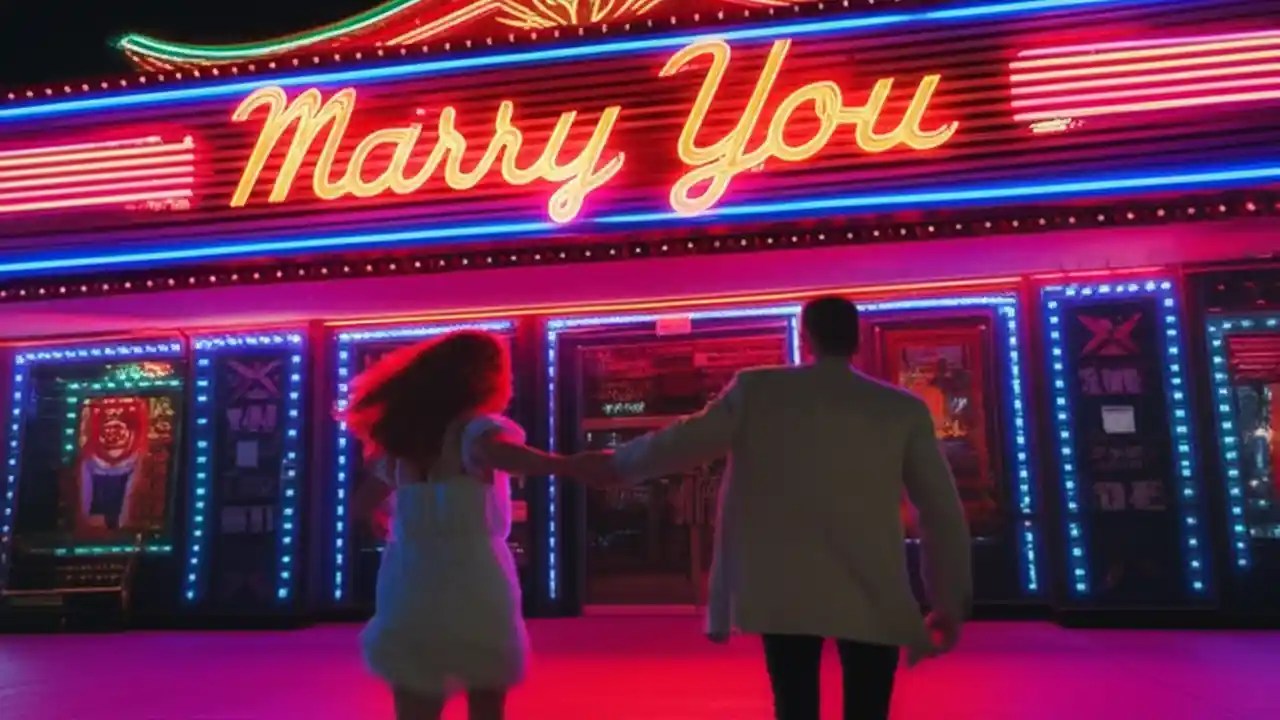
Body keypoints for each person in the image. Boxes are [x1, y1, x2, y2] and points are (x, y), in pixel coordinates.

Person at [577, 296, 972, 720]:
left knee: (794, 703)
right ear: (856, 339)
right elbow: (940, 510)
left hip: (785, 584)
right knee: (869, 703)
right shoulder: (901, 409)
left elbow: (682, 442)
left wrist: (616, 466)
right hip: (872, 582)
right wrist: (948, 599)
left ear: (806, 338)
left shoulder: (758, 391)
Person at [342, 331, 584, 720]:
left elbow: (361, 504)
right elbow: (505, 453)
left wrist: (391, 515)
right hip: (472, 570)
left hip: (409, 574)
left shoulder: (405, 440)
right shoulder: (476, 429)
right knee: (485, 688)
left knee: (416, 691)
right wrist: (570, 465)